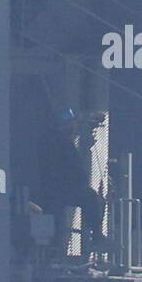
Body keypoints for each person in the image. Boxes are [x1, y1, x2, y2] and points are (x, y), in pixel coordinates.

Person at [35, 108, 107, 253]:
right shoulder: (57, 143)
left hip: (66, 189)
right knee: (90, 199)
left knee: (93, 199)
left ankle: (96, 236)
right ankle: (95, 236)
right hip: (57, 190)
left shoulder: (63, 141)